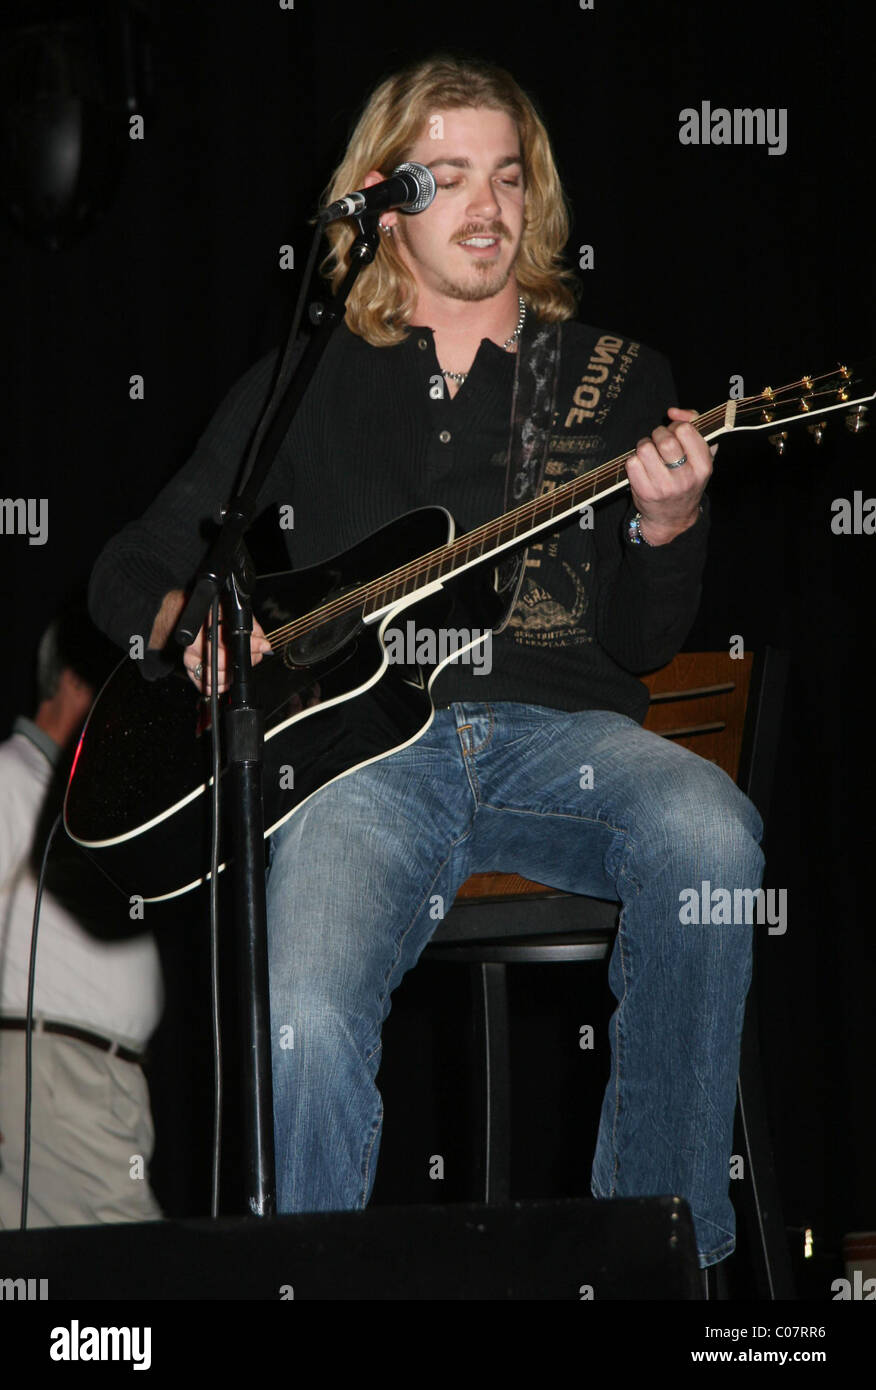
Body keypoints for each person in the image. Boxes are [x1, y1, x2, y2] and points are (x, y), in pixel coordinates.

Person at [87, 54, 764, 1270]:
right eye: (449, 177)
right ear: (381, 201)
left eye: (508, 177)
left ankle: (664, 1268)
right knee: (298, 1006)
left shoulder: (613, 376)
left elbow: (643, 643)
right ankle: (306, 1286)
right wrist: (187, 620)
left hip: (565, 741)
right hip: (362, 763)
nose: (490, 207)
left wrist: (665, 527)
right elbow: (131, 560)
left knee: (711, 833)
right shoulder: (308, 382)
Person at [0, 605, 164, 1227]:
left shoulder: (82, 802)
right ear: (71, 681)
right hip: (55, 1070)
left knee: (52, 1268)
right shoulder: (12, 775)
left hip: (93, 1077)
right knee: (134, 1266)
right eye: (107, 684)